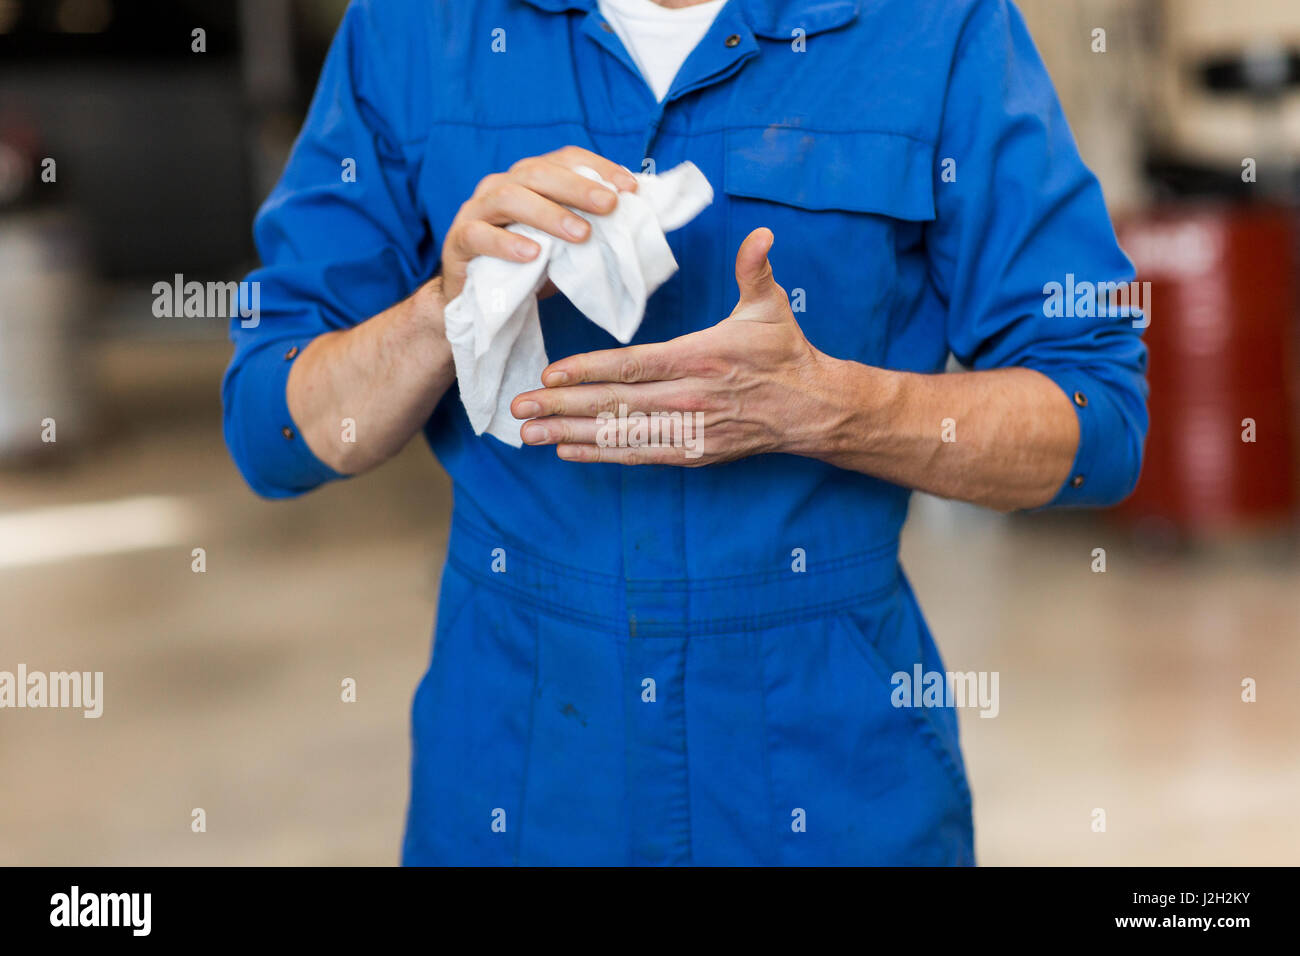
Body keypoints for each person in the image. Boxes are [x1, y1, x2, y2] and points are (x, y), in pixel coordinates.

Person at [222, 0, 1149, 865]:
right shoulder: (418, 29)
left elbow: (1096, 419)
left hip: (831, 772)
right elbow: (279, 428)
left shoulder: (935, 27)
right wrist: (449, 309)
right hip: (517, 771)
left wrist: (829, 408)